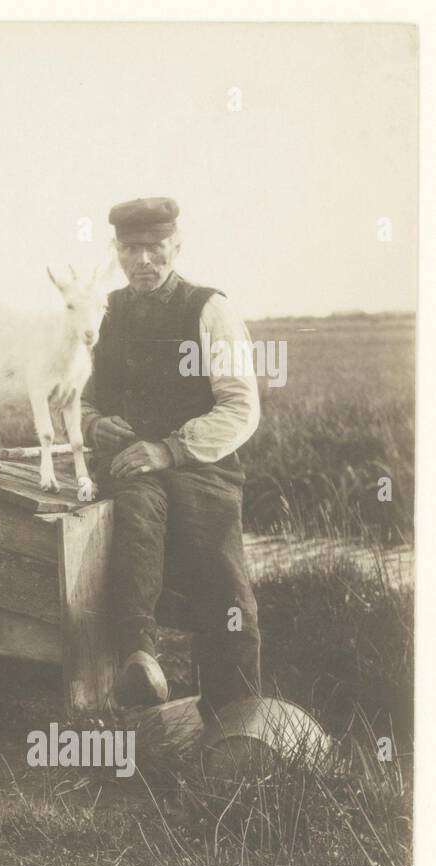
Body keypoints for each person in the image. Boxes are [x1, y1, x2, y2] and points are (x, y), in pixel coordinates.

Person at [80, 196, 262, 720]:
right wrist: (94, 423)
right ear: (116, 250)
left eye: (154, 248)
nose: (142, 261)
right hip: (131, 464)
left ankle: (236, 724)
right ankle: (139, 658)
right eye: (130, 249)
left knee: (226, 594)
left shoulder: (208, 308)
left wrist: (169, 448)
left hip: (202, 469)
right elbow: (83, 396)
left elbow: (240, 407)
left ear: (176, 246)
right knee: (134, 524)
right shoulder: (106, 313)